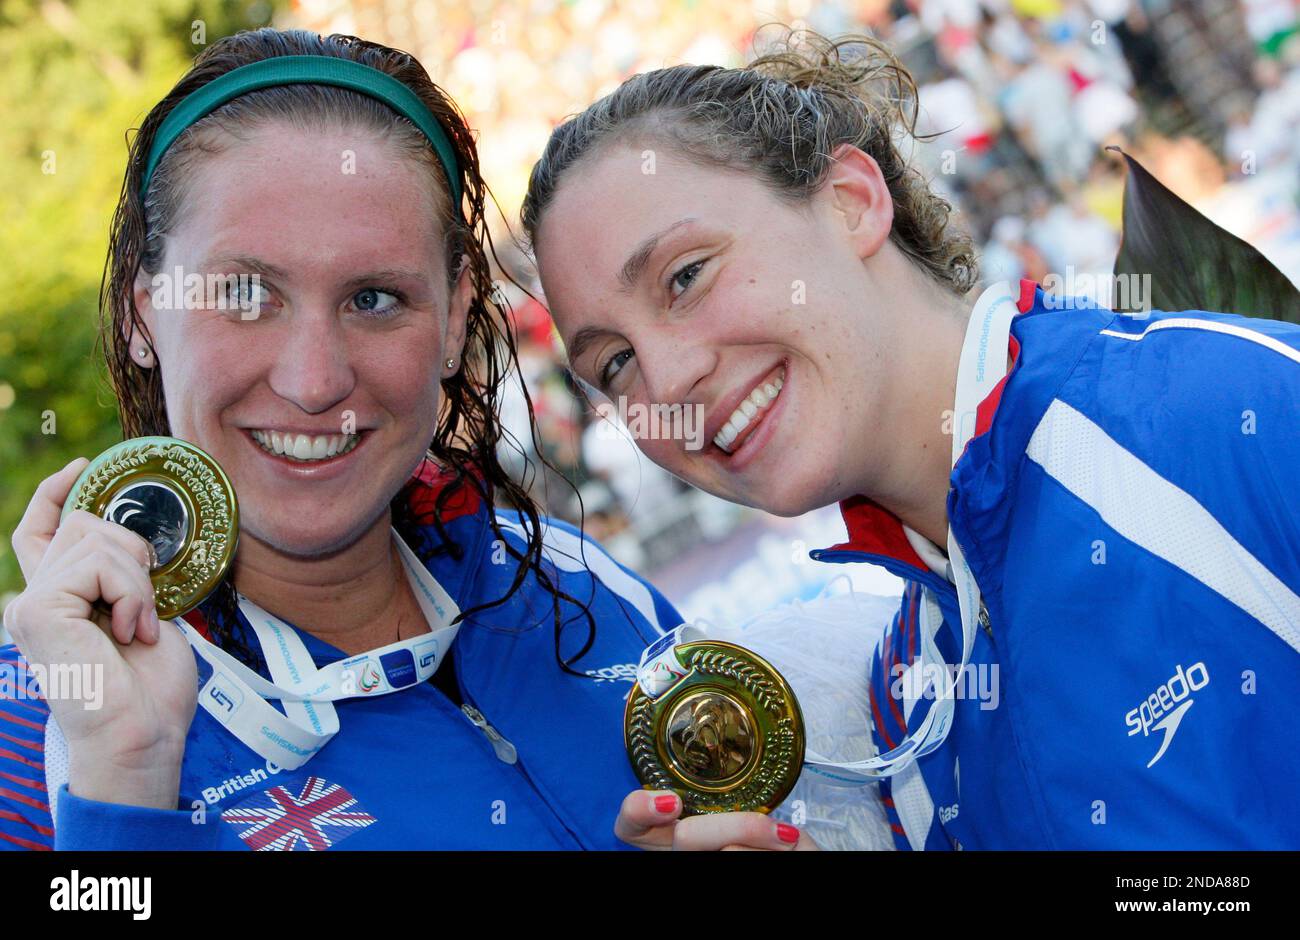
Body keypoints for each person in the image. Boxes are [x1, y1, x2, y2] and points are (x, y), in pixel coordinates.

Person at [520, 30, 1300, 850]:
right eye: (613, 364)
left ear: (852, 201)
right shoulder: (906, 702)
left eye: (687, 275)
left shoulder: (1224, 417)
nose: (667, 380)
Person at [0, 28, 689, 852]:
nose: (314, 380)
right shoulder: (38, 732)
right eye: (247, 292)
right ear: (142, 313)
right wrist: (127, 786)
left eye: (372, 298)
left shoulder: (575, 583)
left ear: (455, 315)